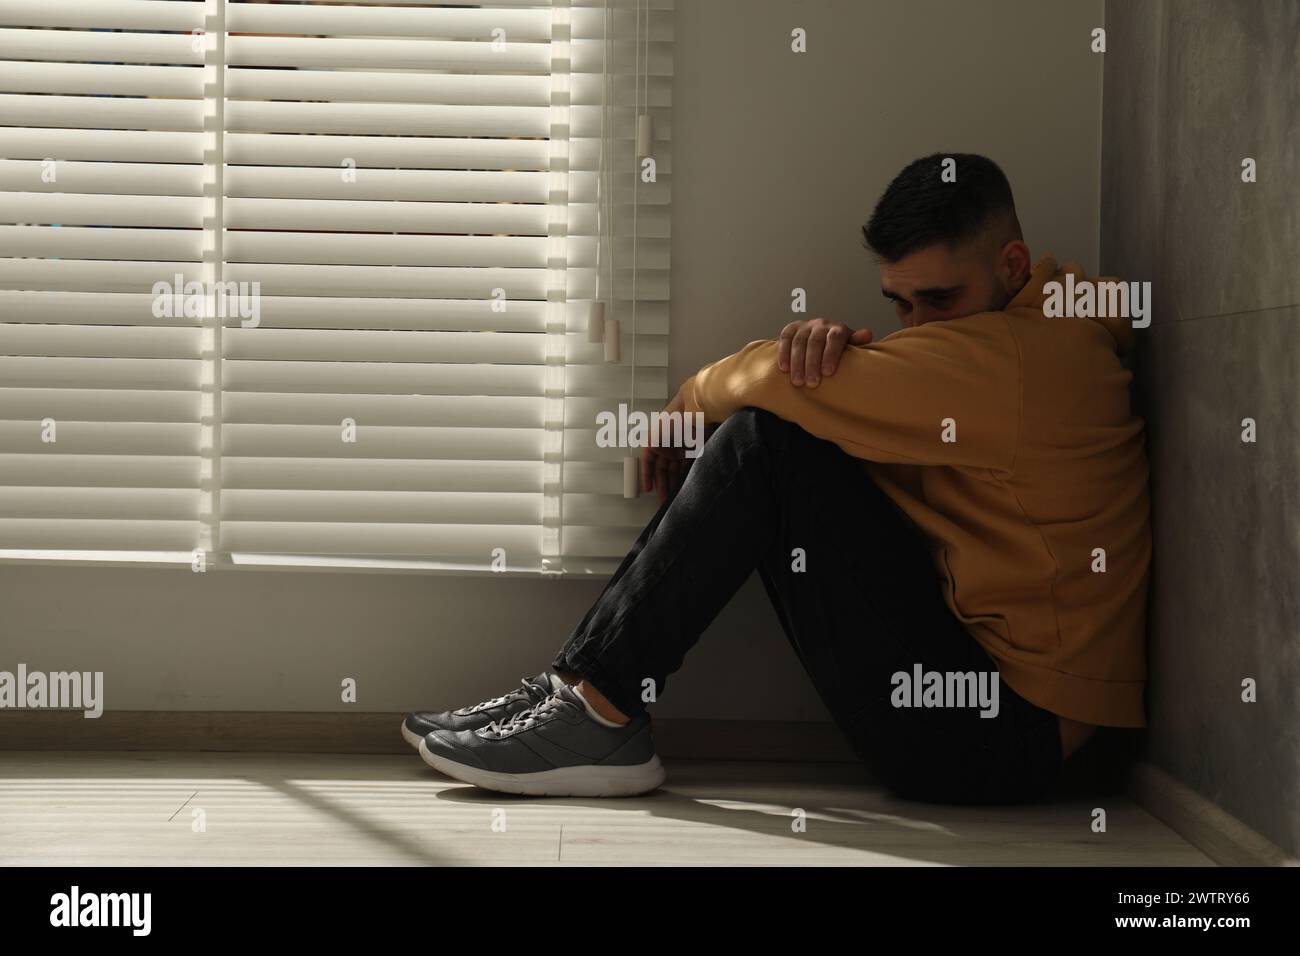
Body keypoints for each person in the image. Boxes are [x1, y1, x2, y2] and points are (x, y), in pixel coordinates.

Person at [401, 153, 1152, 805]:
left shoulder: (1018, 360)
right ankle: (577, 689)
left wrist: (688, 403)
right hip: (1018, 718)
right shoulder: (1048, 323)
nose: (916, 329)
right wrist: (830, 365)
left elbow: (778, 386)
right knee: (784, 440)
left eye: (939, 301)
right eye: (899, 303)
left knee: (764, 440)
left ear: (1011, 265)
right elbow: (856, 415)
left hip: (1006, 743)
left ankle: (594, 708)